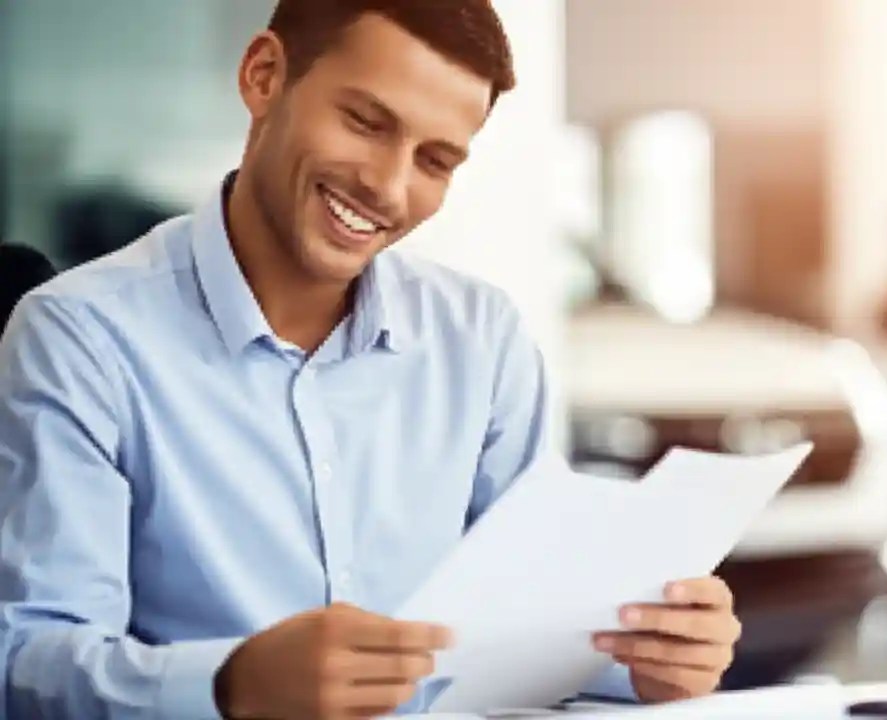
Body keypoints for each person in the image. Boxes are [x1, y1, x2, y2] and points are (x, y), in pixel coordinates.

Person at [0, 2, 741, 717]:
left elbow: (532, 624)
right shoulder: (82, 337)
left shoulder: (479, 337)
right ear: (263, 76)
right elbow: (29, 666)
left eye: (436, 160)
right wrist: (232, 685)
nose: (387, 186)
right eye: (364, 122)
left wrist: (646, 660)